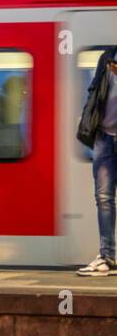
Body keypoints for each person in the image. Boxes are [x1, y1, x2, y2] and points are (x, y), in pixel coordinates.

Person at [76, 46, 117, 276]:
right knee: (104, 198)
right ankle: (106, 256)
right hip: (104, 138)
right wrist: (88, 121)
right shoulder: (108, 56)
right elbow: (95, 91)